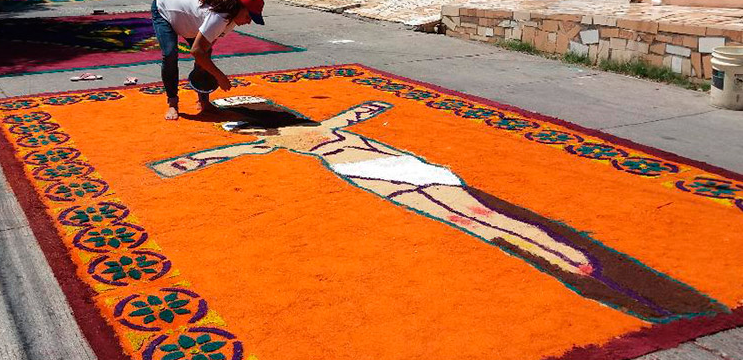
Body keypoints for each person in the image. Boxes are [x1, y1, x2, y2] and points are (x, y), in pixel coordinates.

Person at [149, 97, 726, 323]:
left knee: (490, 220)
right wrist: (204, 155)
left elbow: (362, 110)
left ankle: (578, 263)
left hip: (396, 172)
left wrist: (205, 152)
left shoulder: (297, 132)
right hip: (378, 177)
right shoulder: (290, 135)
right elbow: (363, 109)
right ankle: (575, 264)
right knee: (481, 224)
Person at [151, 0, 265, 120]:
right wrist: (219, 76)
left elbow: (205, 48)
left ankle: (203, 102)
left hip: (189, 20)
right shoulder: (219, 16)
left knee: (205, 55)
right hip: (164, 8)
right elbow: (196, 51)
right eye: (248, 16)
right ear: (239, 7)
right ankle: (172, 103)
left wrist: (202, 64)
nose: (249, 22)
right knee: (170, 54)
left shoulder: (231, 16)